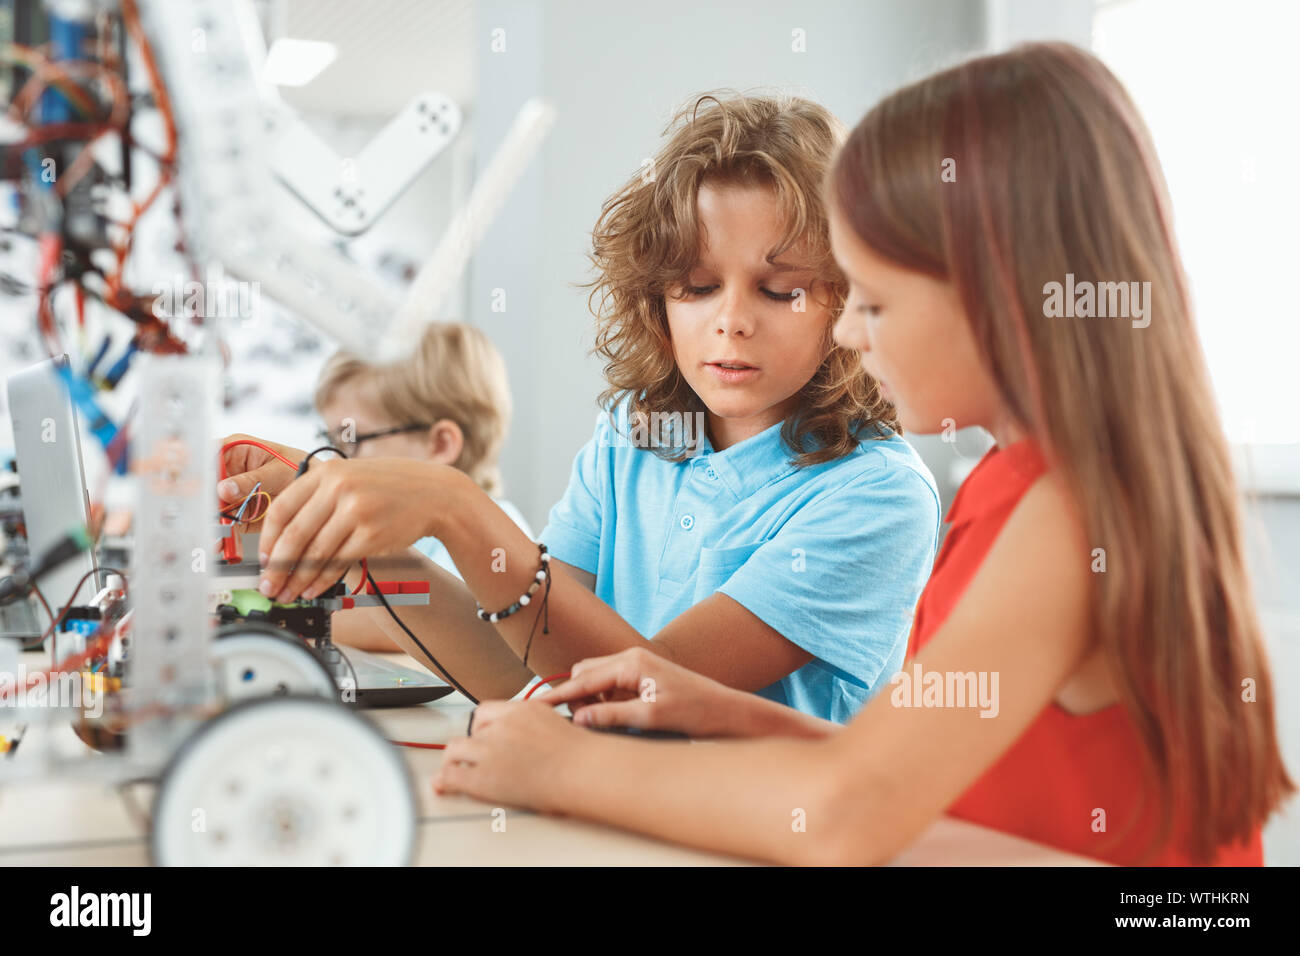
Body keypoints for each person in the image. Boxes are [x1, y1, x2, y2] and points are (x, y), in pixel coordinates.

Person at [430, 44, 1294, 866]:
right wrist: (730, 714)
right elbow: (899, 767)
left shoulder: (1071, 520)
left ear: (1000, 294)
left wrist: (564, 772)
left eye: (873, 303)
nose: (847, 332)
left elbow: (849, 813)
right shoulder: (1013, 486)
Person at [216, 91, 941, 721]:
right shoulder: (632, 436)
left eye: (778, 291)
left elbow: (643, 691)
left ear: (848, 298)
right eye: (695, 286)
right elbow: (531, 670)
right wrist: (362, 541)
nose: (731, 320)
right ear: (655, 296)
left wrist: (455, 508)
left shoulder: (877, 495)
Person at [312, 321, 533, 652]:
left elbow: (419, 627)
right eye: (329, 440)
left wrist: (282, 611)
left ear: (440, 445)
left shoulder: (494, 533)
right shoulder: (388, 537)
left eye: (352, 440)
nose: (333, 461)